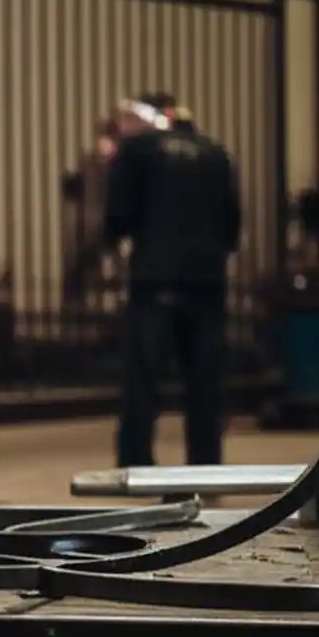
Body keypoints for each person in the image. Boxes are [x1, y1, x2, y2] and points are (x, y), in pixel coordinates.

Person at [105, 92, 241, 468]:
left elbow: (118, 214)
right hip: (206, 280)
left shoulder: (138, 150)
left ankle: (136, 463)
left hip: (154, 278)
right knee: (204, 382)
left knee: (143, 379)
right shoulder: (216, 154)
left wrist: (117, 242)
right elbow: (232, 224)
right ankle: (205, 463)